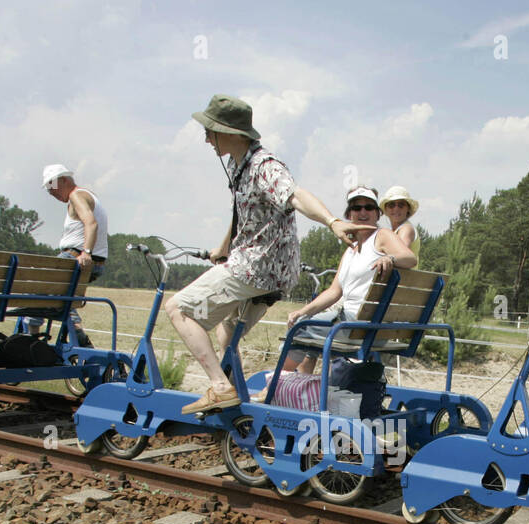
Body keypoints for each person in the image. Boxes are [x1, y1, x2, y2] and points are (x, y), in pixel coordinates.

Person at [167, 94, 362, 415]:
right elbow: (243, 215)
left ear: (230, 132)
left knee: (178, 309)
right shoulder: (238, 166)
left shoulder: (263, 165)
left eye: (210, 130)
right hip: (271, 272)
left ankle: (219, 388)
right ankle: (236, 396)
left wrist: (332, 221)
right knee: (226, 331)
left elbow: (295, 195)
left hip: (255, 268)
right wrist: (223, 248)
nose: (205, 137)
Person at [284, 186, 417, 373]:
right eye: (357, 208)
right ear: (349, 215)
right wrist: (302, 311)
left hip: (358, 326)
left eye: (369, 207)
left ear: (377, 214)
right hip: (360, 327)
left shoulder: (382, 236)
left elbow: (410, 258)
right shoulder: (350, 249)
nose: (363, 212)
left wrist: (391, 258)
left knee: (298, 330)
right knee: (303, 321)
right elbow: (334, 291)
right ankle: (305, 384)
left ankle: (279, 384)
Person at [35, 164, 109, 344]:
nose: (51, 192)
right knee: (59, 299)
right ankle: (77, 333)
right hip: (93, 263)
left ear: (65, 180)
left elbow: (91, 223)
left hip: (74, 259)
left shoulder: (76, 196)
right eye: (48, 189)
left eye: (52, 186)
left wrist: (86, 252)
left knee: (34, 289)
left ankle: (31, 338)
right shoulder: (87, 196)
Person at [380, 185, 420, 261]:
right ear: (386, 209)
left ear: (408, 208)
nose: (396, 208)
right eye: (391, 205)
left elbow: (401, 254)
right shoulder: (394, 232)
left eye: (401, 205)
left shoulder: (406, 228)